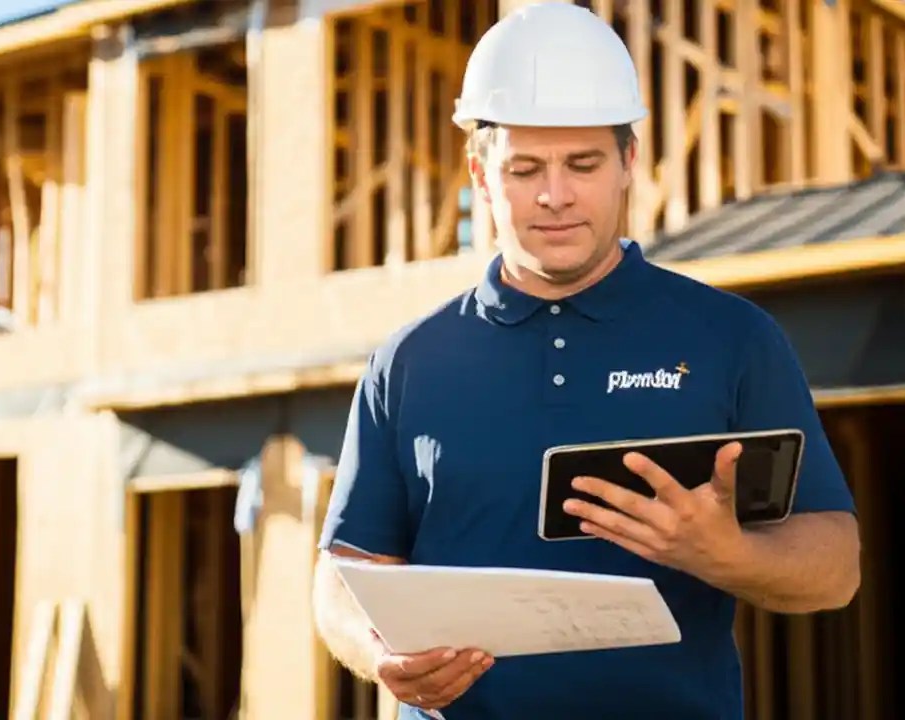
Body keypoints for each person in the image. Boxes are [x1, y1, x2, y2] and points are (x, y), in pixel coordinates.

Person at [310, 2, 861, 718]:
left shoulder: (732, 338)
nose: (554, 195)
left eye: (583, 163)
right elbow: (345, 574)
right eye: (525, 167)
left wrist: (724, 554)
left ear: (628, 161)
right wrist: (378, 653)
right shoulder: (409, 361)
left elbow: (837, 568)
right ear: (481, 174)